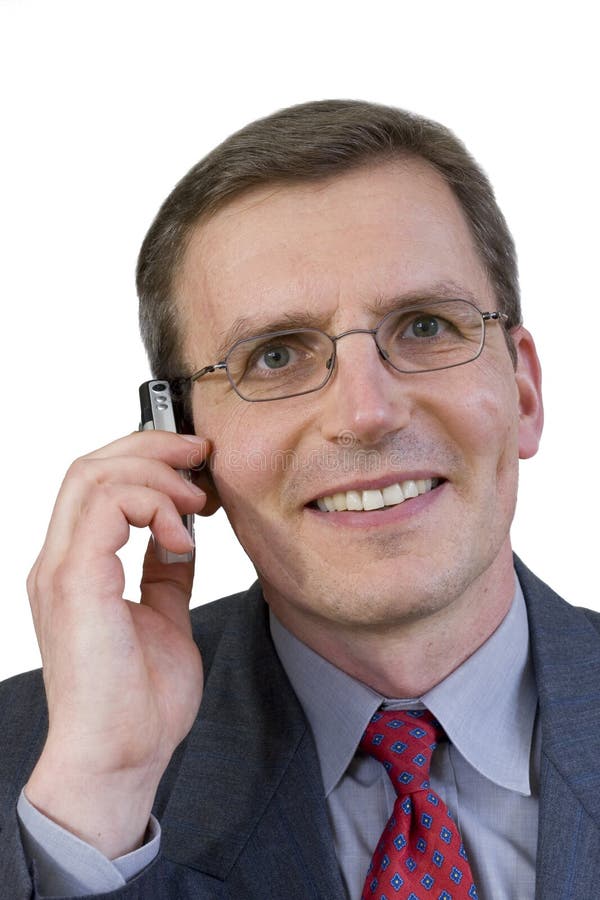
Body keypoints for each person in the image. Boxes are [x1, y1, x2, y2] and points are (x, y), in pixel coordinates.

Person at [0, 99, 596, 900]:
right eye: (275, 355)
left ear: (522, 391)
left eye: (424, 326)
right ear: (178, 443)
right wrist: (100, 803)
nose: (367, 412)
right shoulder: (37, 772)